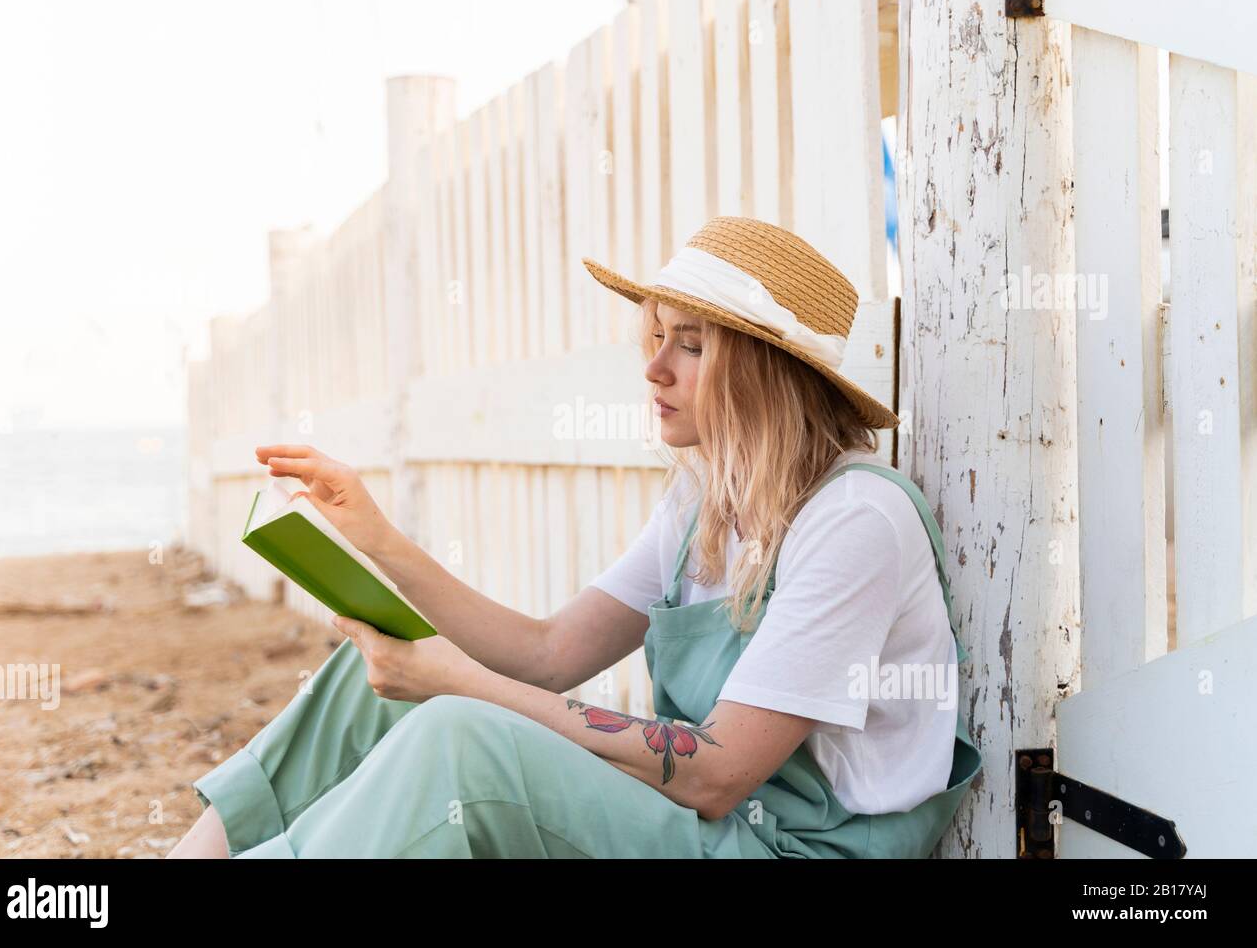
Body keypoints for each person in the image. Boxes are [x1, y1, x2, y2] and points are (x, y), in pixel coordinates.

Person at [168, 215, 982, 859]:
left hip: (785, 848)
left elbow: (721, 772)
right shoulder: (700, 507)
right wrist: (376, 538)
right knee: (367, 676)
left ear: (769, 370)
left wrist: (459, 685)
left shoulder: (854, 522)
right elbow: (551, 651)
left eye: (692, 345)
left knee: (461, 737)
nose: (655, 367)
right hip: (711, 828)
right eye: (655, 336)